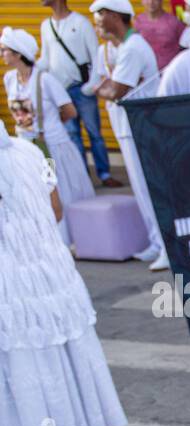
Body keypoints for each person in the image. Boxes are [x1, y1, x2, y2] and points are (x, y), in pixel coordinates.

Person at [0, 122, 126, 426]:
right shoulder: (32, 149)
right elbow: (56, 209)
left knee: (20, 358)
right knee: (68, 348)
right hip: (52, 269)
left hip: (9, 278)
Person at [88, 0, 167, 271]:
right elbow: (101, 84)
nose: (97, 21)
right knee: (141, 189)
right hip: (127, 128)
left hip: (141, 126)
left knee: (150, 188)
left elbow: (115, 90)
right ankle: (156, 242)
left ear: (114, 16)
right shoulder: (115, 48)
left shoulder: (133, 48)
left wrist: (100, 88)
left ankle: (167, 246)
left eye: (100, 15)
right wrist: (102, 87)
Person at [1, 27, 94, 246]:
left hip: (49, 148)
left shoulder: (45, 80)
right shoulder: (10, 79)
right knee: (36, 194)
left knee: (57, 191)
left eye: (5, 50)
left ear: (17, 53)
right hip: (26, 149)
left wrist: (48, 125)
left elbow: (69, 110)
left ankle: (73, 239)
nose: (2, 54)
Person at [39, 0, 120, 188]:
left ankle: (105, 173)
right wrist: (31, 69)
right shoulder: (46, 25)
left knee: (94, 133)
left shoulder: (81, 22)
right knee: (73, 135)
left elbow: (95, 55)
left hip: (82, 88)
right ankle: (83, 176)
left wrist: (91, 85)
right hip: (61, 92)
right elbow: (45, 57)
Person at [135, 0, 185, 71]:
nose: (151, 2)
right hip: (147, 74)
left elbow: (185, 48)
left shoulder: (174, 23)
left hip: (170, 73)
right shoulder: (138, 21)